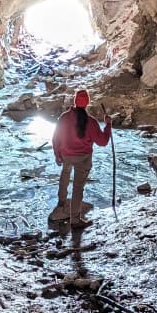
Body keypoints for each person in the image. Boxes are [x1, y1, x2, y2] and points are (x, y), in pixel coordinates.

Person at [51, 89, 112, 228]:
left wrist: (57, 154)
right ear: (87, 103)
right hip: (83, 158)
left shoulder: (64, 117)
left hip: (66, 155)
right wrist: (108, 125)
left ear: (75, 101)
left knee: (65, 173)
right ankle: (75, 219)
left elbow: (56, 138)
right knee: (78, 187)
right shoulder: (91, 122)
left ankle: (61, 201)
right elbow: (102, 142)